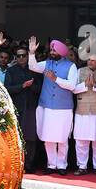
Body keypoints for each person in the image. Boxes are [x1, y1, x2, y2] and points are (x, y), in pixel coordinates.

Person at [28, 37, 80, 174]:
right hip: (46, 106)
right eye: (51, 49)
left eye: (54, 50)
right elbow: (32, 66)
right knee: (48, 137)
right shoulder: (47, 64)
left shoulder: (71, 66)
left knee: (62, 138)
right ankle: (51, 164)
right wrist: (32, 53)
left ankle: (62, 165)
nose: (52, 52)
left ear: (61, 52)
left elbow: (72, 85)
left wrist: (56, 79)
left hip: (63, 107)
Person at [3, 45, 41, 171]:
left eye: (23, 55)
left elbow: (40, 89)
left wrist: (30, 86)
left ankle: (29, 165)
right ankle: (16, 164)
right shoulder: (11, 71)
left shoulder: (35, 70)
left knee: (30, 138)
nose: (21, 58)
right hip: (17, 108)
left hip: (31, 108)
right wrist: (23, 85)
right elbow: (7, 88)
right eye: (18, 56)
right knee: (16, 137)